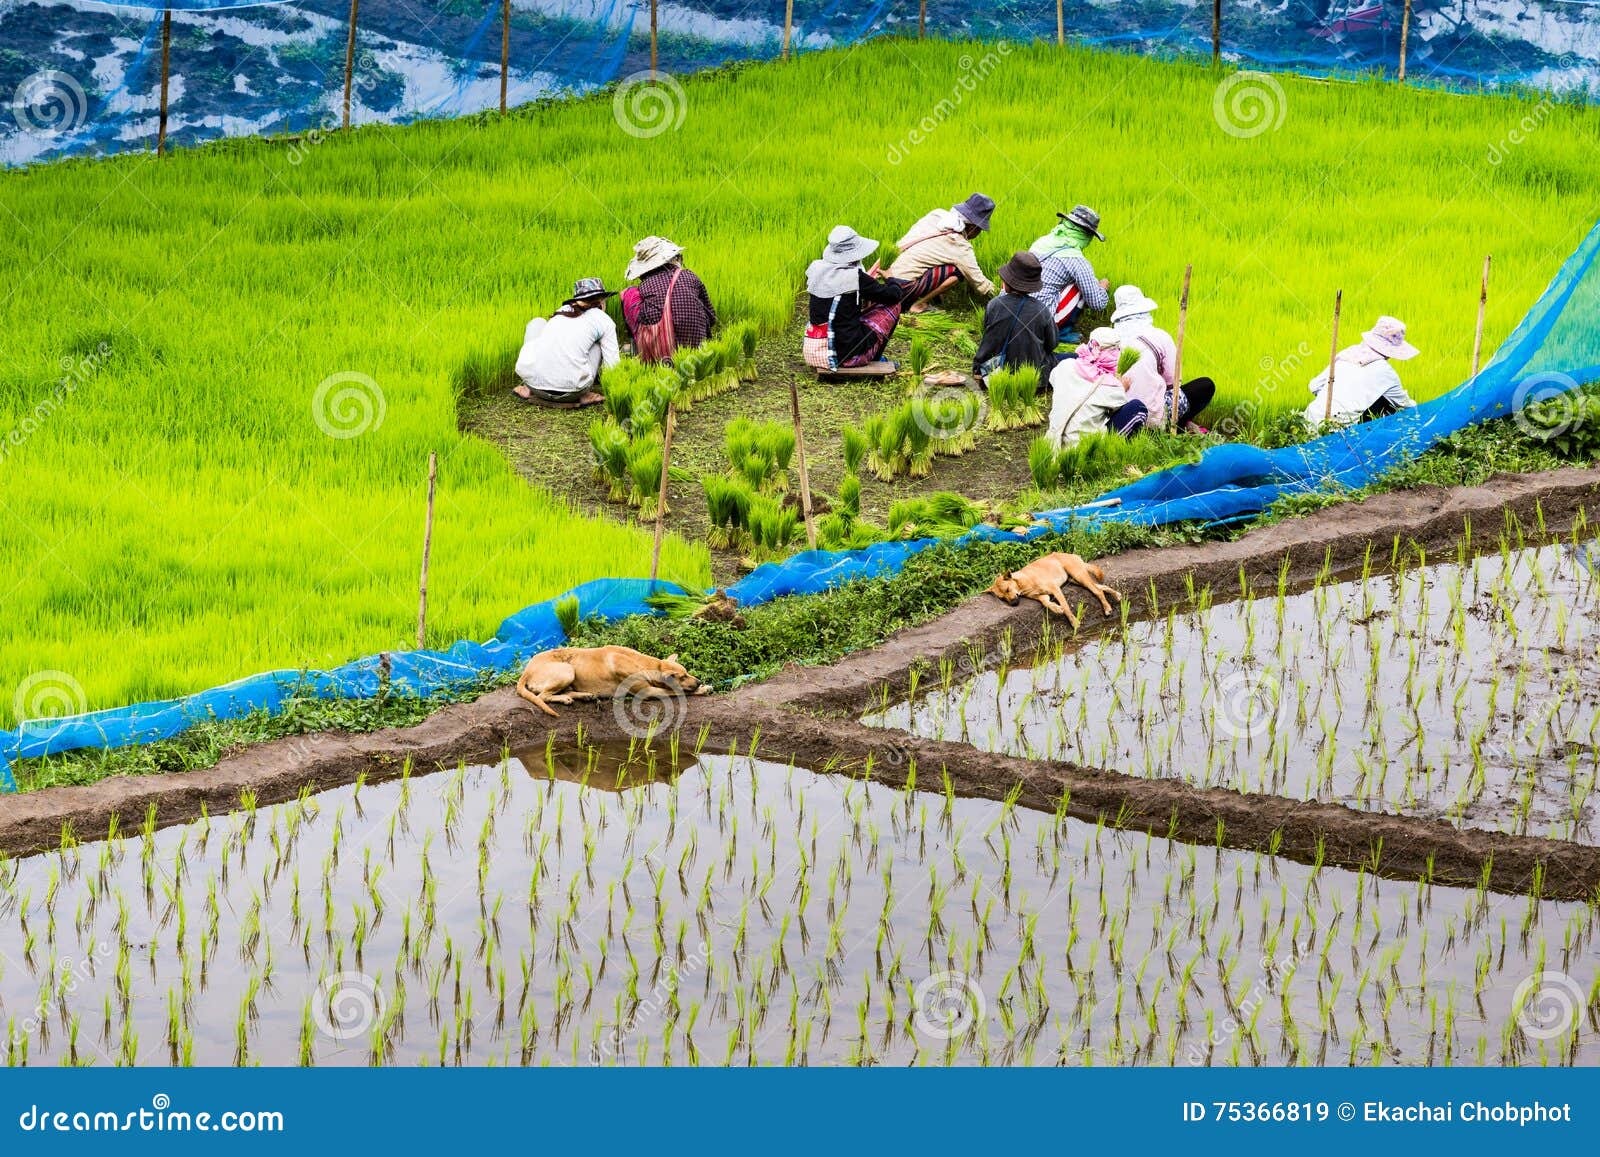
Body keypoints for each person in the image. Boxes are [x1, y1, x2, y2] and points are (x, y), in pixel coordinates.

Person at [1110, 284, 1215, 431]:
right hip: (1152, 418)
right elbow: (1173, 382)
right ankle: (1176, 425)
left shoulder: (1108, 340)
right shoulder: (1159, 336)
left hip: (1120, 417)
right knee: (1205, 386)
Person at [803, 226, 906, 370]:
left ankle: (866, 354)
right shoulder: (855, 278)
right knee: (894, 306)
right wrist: (891, 278)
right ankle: (874, 358)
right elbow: (894, 295)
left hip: (817, 350)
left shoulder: (816, 269)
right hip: (848, 356)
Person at [512, 278, 620, 406]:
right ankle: (585, 394)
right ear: (601, 301)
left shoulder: (562, 311)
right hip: (573, 392)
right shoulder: (603, 319)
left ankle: (526, 388)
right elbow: (612, 365)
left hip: (535, 386)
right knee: (597, 343)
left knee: (537, 323)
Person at [885, 192, 997, 312]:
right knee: (958, 271)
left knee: (938, 259)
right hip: (900, 288)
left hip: (887, 274)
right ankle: (918, 305)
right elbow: (981, 285)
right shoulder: (961, 246)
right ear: (973, 227)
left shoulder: (936, 214)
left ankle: (931, 297)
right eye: (979, 230)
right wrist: (1005, 293)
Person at [1303, 315, 1419, 426]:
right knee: (1388, 404)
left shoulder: (1347, 354)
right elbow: (1406, 407)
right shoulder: (1386, 372)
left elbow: (1314, 386)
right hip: (1337, 429)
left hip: (1308, 421)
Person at [620, 236, 716, 360]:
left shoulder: (645, 286)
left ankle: (639, 358)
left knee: (629, 293)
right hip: (696, 355)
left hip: (660, 356)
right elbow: (712, 317)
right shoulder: (690, 276)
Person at [1046, 328, 1144, 446]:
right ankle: (1119, 450)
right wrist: (1122, 388)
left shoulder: (1065, 365)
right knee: (1137, 408)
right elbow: (1117, 411)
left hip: (1053, 444)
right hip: (1083, 449)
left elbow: (1053, 380)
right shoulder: (1112, 387)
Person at [973, 252, 1060, 380]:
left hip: (993, 371)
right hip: (1031, 378)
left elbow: (988, 331)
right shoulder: (1042, 310)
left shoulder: (994, 304)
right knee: (1066, 358)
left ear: (1007, 282)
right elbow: (1052, 344)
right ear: (1031, 287)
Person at [1030, 205, 1110, 340]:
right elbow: (1097, 303)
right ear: (1087, 235)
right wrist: (1102, 287)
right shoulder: (1076, 260)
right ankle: (1059, 332)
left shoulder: (1042, 242)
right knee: (1084, 285)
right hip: (1040, 323)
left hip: (1017, 311)